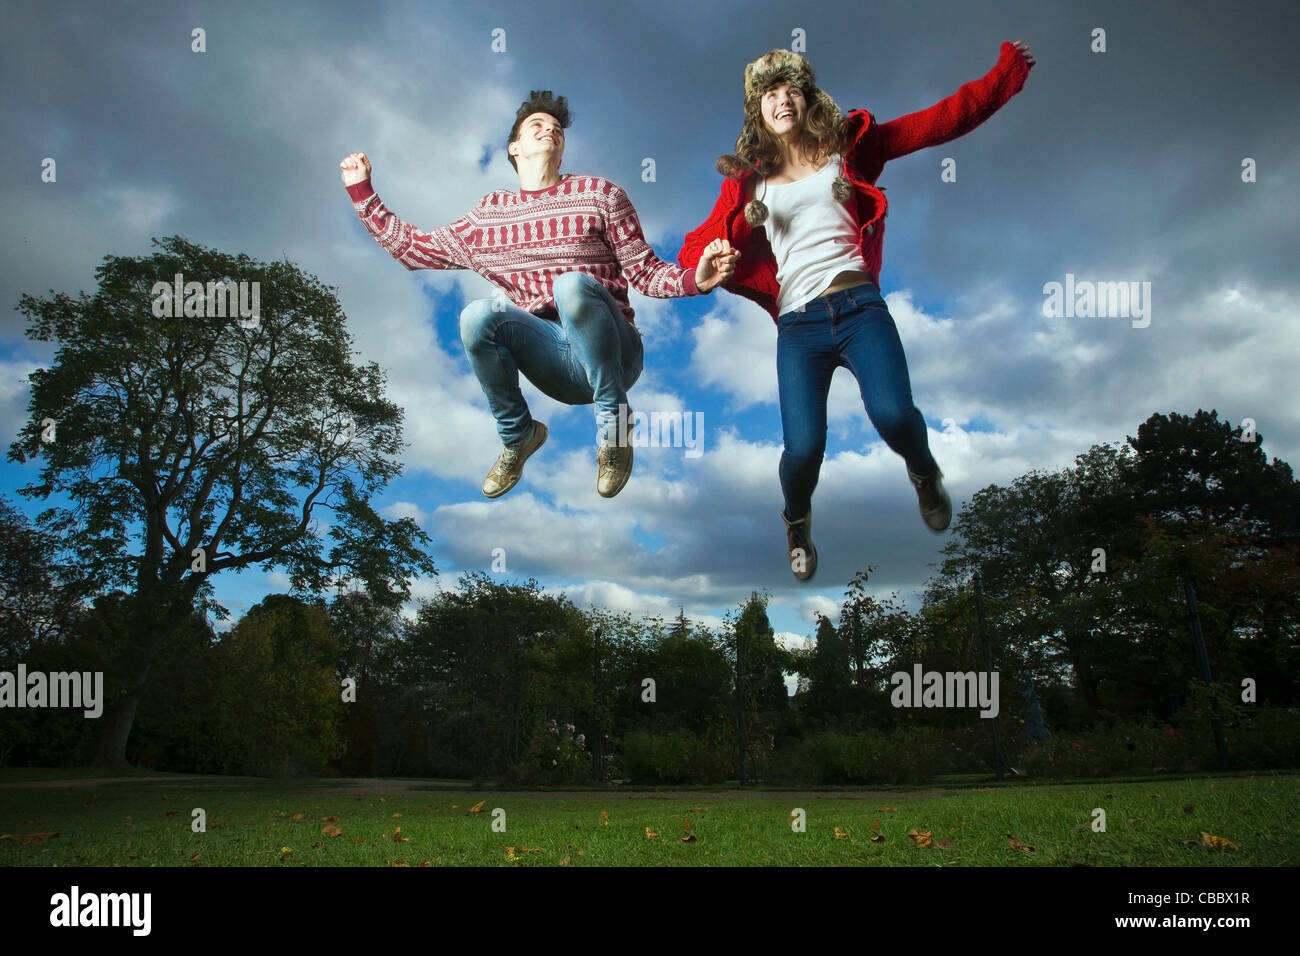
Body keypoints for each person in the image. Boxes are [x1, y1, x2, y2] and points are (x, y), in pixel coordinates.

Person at [680, 41, 1036, 581]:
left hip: (860, 307)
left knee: (894, 414)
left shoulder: (851, 149)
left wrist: (1005, 74)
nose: (782, 100)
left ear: (807, 97)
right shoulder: (747, 184)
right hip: (799, 327)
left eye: (790, 89)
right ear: (759, 110)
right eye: (770, 93)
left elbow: (938, 122)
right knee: (803, 449)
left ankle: (923, 472)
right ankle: (796, 521)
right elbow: (695, 248)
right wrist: (708, 261)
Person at [341, 90, 738, 499]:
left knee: (570, 285)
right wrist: (362, 192)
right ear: (515, 147)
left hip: (616, 356)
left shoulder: (600, 194)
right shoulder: (489, 218)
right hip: (556, 365)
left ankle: (615, 430)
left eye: (557, 129)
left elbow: (644, 270)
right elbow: (414, 248)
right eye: (537, 126)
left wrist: (696, 280)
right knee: (476, 316)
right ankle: (518, 436)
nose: (549, 131)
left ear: (562, 149)